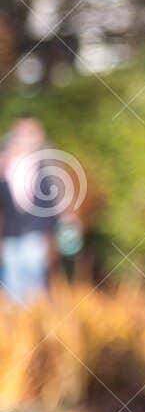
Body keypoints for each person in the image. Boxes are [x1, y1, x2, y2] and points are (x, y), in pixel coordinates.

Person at [0, 117, 57, 304]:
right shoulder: (5, 167)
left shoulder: (46, 169)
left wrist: (49, 235)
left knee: (34, 288)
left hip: (36, 236)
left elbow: (52, 206)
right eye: (21, 135)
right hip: (10, 236)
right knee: (12, 288)